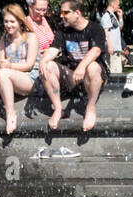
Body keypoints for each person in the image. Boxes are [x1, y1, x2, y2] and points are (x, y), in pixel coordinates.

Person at [43, 0, 109, 131]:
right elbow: (54, 49)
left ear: (77, 13)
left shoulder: (95, 28)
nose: (61, 15)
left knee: (92, 67)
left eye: (65, 12)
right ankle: (58, 109)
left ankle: (90, 108)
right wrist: (43, 61)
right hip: (71, 78)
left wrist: (82, 66)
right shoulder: (62, 29)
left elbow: (96, 50)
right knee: (47, 66)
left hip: (92, 78)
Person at [0, 6, 39, 133]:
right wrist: (4, 65)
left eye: (12, 21)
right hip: (8, 76)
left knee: (3, 73)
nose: (8, 25)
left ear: (20, 21)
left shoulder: (31, 37)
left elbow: (29, 65)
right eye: (6, 21)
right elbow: (1, 62)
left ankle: (11, 113)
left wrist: (9, 66)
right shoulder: (4, 39)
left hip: (29, 78)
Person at [99, 0, 126, 75]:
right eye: (118, 5)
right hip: (111, 50)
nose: (119, 7)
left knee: (117, 72)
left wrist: (120, 17)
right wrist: (109, 46)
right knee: (113, 73)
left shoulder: (112, 15)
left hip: (116, 49)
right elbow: (105, 32)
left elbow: (119, 28)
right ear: (113, 5)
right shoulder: (106, 16)